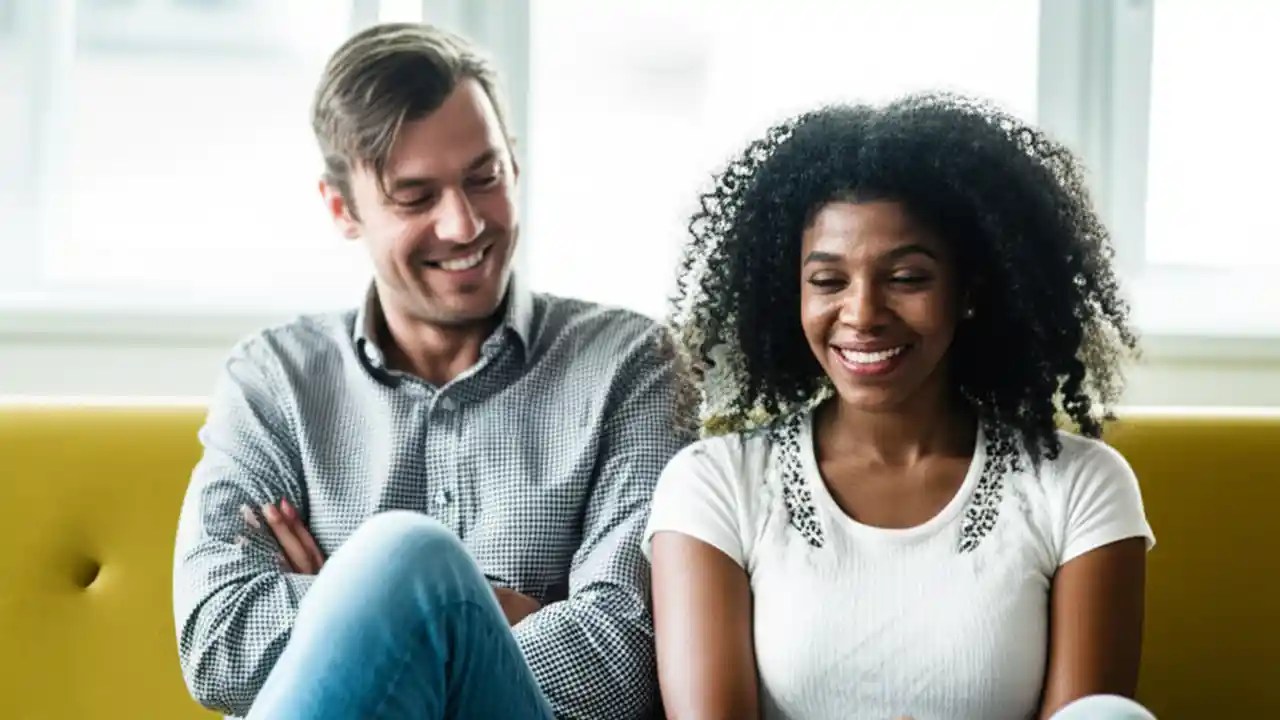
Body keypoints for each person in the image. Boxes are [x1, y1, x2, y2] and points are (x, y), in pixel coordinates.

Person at [172, 22, 687, 720]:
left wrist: (361, 608)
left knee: (403, 556)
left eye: (486, 177)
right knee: (404, 559)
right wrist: (449, 605)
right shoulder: (273, 383)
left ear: (517, 162)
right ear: (341, 209)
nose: (464, 225)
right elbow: (219, 642)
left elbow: (621, 659)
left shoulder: (630, 367)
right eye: (415, 197)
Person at [645, 94, 1157, 720]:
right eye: (828, 281)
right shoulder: (715, 485)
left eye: (907, 278)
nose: (861, 314)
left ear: (969, 290)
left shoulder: (1080, 486)